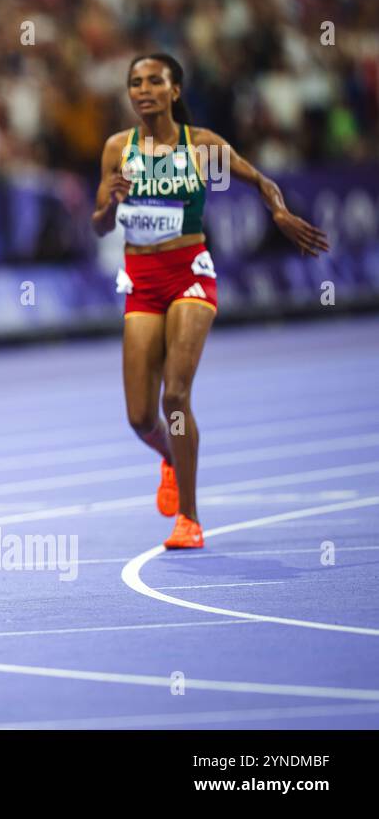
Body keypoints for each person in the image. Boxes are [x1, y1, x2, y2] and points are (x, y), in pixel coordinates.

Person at [91, 53, 330, 549]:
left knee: (175, 396)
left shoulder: (202, 147)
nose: (143, 90)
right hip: (141, 281)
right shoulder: (118, 148)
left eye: (154, 81)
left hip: (189, 277)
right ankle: (170, 456)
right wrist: (108, 205)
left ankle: (190, 517)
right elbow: (98, 224)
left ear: (175, 90)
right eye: (135, 83)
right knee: (140, 417)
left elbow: (261, 180)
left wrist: (279, 213)